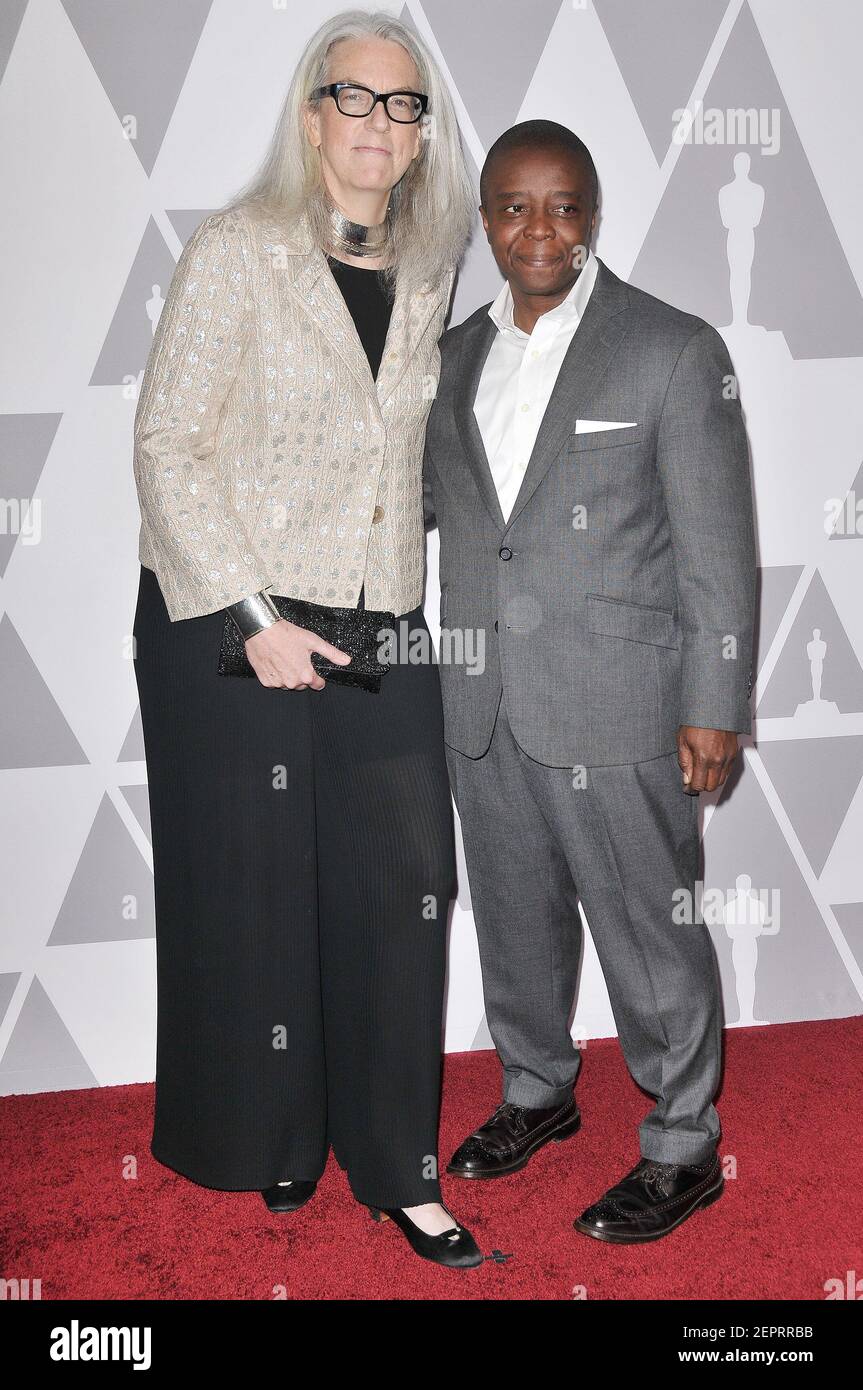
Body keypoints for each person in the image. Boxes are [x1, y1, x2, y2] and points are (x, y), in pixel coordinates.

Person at [131, 9, 481, 1269]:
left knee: (402, 896)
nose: (380, 125)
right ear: (311, 112)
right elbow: (167, 448)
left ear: (420, 132)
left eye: (404, 105)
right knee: (262, 902)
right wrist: (250, 616)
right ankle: (279, 1138)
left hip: (379, 618)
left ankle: (402, 1169)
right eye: (357, 98)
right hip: (235, 632)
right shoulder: (237, 250)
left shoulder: (435, 264)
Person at [423, 120, 757, 1243]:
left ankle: (680, 1144)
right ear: (483, 221)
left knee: (644, 932)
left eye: (562, 206)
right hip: (481, 701)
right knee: (514, 919)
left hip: (618, 704)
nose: (538, 229)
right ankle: (535, 1090)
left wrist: (713, 703)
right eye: (513, 206)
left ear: (593, 217)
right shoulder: (452, 358)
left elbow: (716, 548)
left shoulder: (669, 347)